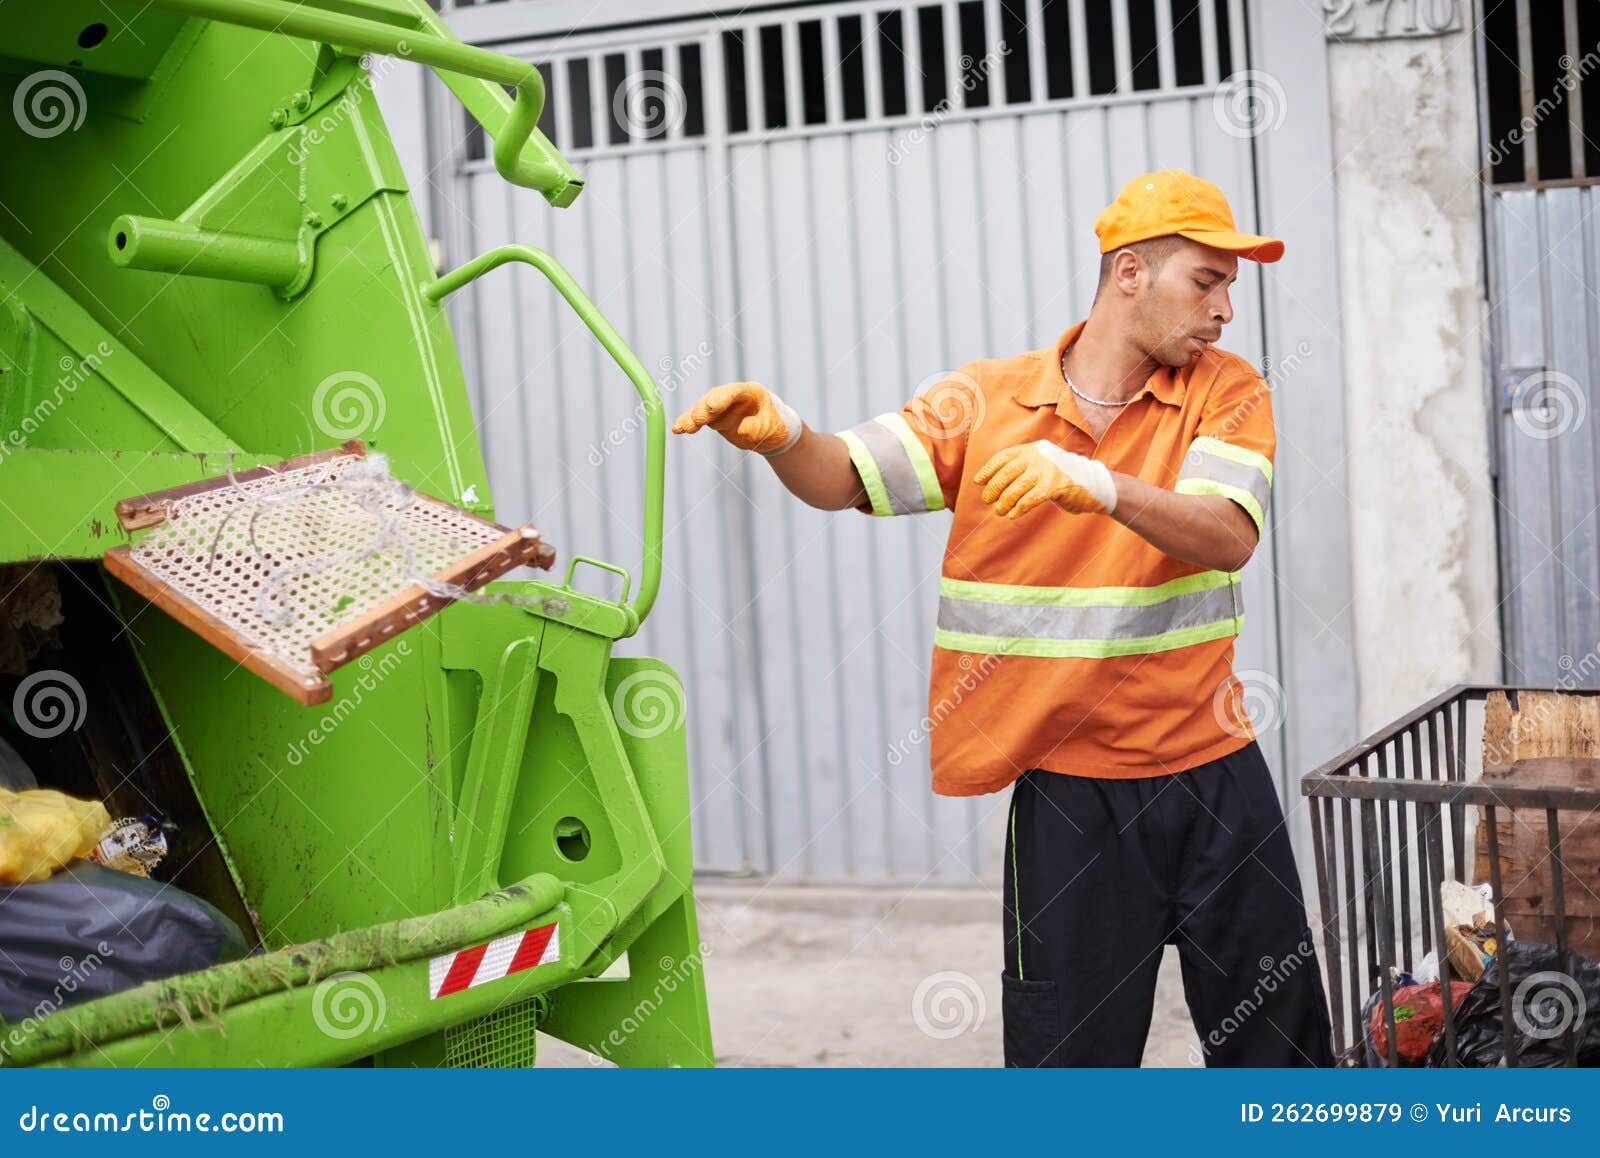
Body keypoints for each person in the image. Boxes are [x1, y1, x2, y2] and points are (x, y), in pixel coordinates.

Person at [672, 169, 1334, 1067]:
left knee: (1278, 1051)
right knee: (1068, 1064)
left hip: (1214, 775)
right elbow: (843, 478)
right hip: (1067, 797)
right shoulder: (983, 401)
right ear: (1129, 273)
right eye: (1205, 281)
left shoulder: (1227, 388)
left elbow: (1225, 534)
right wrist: (786, 433)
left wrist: (1099, 485)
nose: (1223, 310)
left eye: (1230, 288)